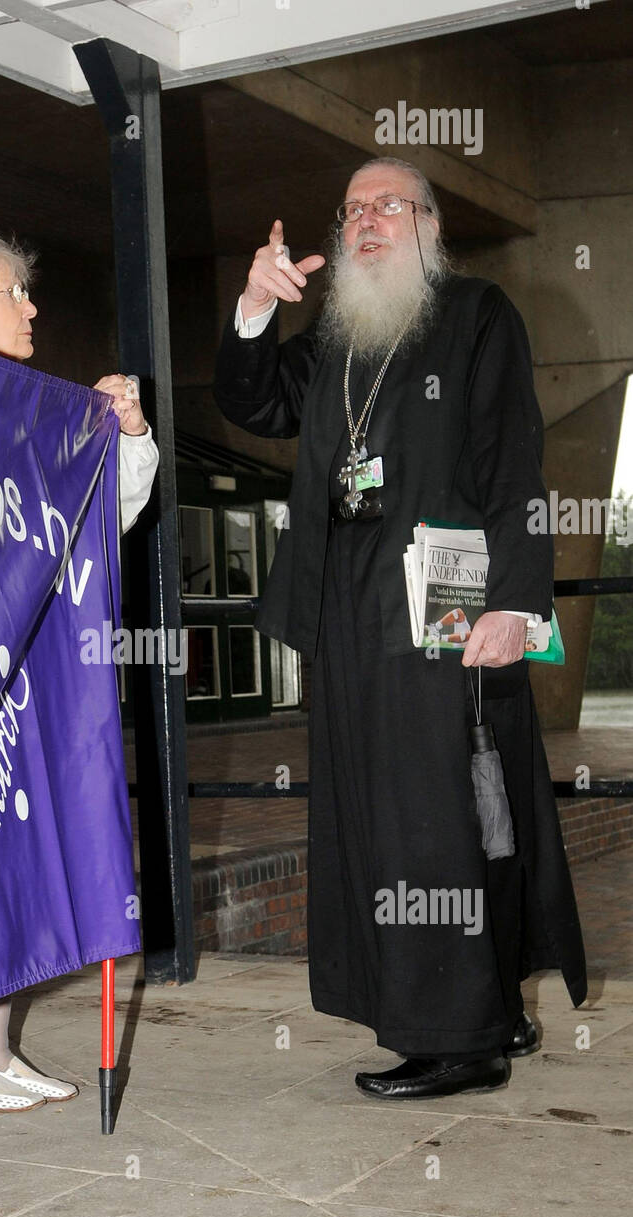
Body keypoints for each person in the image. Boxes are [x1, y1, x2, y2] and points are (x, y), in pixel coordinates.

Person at [213, 157, 586, 1100]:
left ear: (428, 224)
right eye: (350, 210)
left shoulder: (474, 315)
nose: (365, 221)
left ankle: (460, 1039)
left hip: (444, 614)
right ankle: (490, 1006)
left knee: (439, 822)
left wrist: (516, 600)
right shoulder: (339, 334)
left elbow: (511, 462)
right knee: (393, 820)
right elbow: (255, 403)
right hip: (349, 617)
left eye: (388, 205)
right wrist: (255, 310)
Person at [0, 230, 158, 1112]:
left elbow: (98, 526)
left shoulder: (35, 406)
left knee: (18, 853)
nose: (33, 307)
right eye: (16, 292)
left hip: (28, 671)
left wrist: (120, 435)